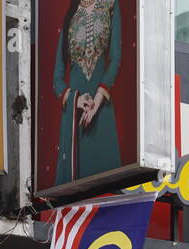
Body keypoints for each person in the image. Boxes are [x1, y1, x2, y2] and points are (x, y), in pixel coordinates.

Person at [52, 0, 123, 186]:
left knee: (107, 189)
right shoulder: (71, 16)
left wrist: (98, 100)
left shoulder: (110, 5)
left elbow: (115, 60)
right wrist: (74, 99)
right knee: (72, 195)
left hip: (101, 111)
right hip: (74, 116)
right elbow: (57, 79)